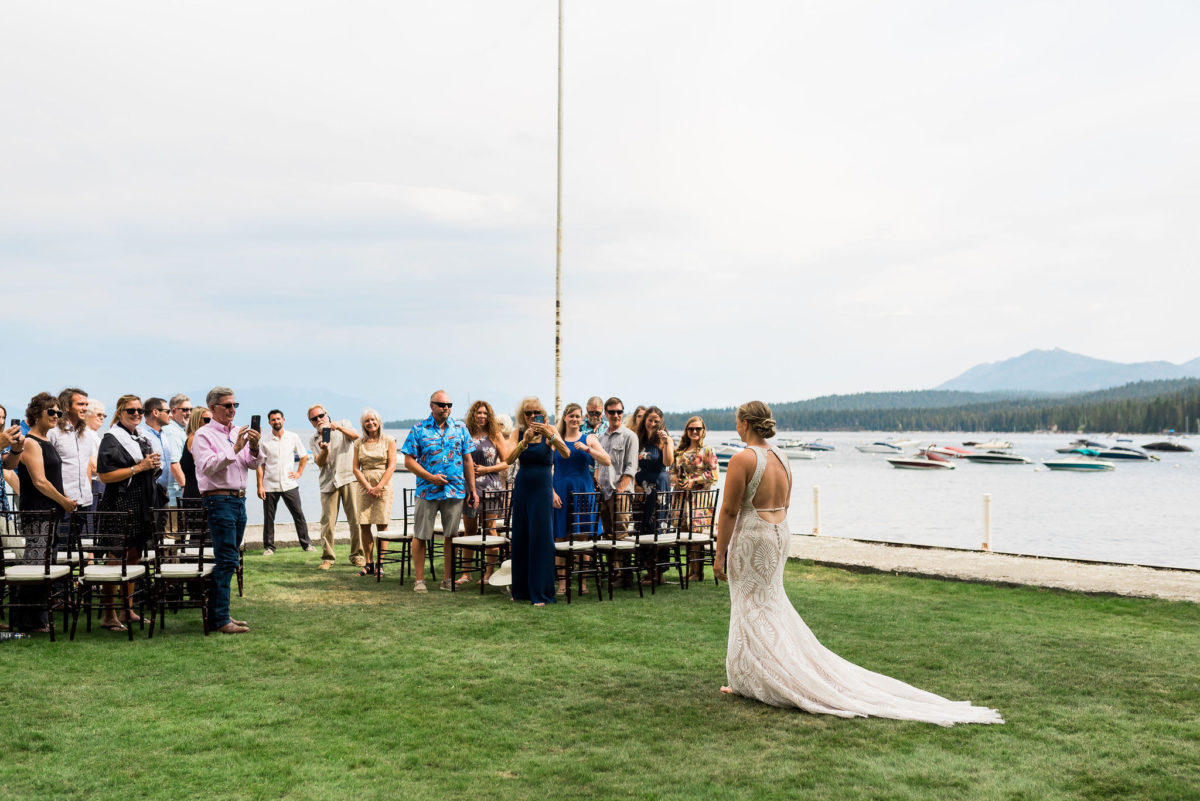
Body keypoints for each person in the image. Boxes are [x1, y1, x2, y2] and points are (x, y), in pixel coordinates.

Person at [715, 401, 1003, 725]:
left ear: (746, 423)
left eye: (737, 422)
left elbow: (729, 511)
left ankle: (765, 677)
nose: (736, 428)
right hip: (780, 533)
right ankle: (750, 675)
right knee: (769, 604)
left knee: (750, 605)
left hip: (753, 536)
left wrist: (719, 552)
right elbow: (786, 502)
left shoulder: (743, 459)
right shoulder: (782, 457)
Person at [192, 386, 264, 635]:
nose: (233, 410)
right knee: (226, 560)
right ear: (213, 409)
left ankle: (222, 613)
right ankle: (219, 618)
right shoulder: (203, 435)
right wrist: (234, 448)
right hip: (219, 500)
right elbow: (208, 467)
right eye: (227, 406)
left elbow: (253, 464)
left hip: (239, 501)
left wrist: (254, 447)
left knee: (230, 558)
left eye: (235, 405)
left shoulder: (237, 432)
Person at [12, 393, 78, 632]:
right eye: (51, 412)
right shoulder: (30, 442)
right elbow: (39, 481)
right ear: (36, 413)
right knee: (36, 566)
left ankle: (36, 618)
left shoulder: (47, 441)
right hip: (39, 513)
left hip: (51, 512)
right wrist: (64, 502)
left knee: (45, 566)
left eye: (59, 412)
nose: (56, 416)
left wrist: (63, 503)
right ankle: (24, 620)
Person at [401, 390, 477, 592]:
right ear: (431, 406)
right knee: (420, 535)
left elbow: (468, 460)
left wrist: (473, 490)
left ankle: (448, 579)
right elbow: (408, 461)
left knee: (451, 536)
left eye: (449, 405)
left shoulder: (460, 428)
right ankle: (419, 580)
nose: (446, 408)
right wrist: (430, 477)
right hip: (427, 491)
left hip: (455, 491)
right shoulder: (419, 429)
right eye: (442, 405)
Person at [96, 394, 160, 630]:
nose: (136, 415)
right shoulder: (112, 438)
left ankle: (127, 610)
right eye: (131, 411)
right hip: (119, 506)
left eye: (140, 411)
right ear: (120, 412)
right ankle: (108, 615)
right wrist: (139, 467)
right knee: (115, 559)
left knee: (134, 557)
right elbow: (105, 476)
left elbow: (143, 470)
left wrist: (151, 468)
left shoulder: (142, 437)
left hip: (141, 504)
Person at [504, 397, 568, 606]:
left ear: (542, 413)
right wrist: (524, 441)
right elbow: (509, 459)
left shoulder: (550, 431)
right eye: (528, 413)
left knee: (541, 538)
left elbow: (566, 453)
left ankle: (541, 591)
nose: (532, 416)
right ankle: (520, 589)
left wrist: (552, 436)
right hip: (523, 487)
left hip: (542, 489)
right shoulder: (518, 433)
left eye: (536, 412)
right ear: (522, 415)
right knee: (521, 536)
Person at [552, 402, 610, 593]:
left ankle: (583, 583)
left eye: (578, 416)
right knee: (561, 537)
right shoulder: (556, 439)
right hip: (560, 490)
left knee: (582, 539)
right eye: (571, 416)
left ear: (582, 418)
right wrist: (551, 492)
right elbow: (547, 468)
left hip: (583, 492)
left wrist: (587, 449)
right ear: (565, 418)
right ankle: (562, 583)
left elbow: (607, 460)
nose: (575, 419)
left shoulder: (589, 438)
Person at [460, 400, 511, 585]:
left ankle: (489, 574)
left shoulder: (495, 435)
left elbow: (507, 461)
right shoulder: (465, 434)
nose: (481, 416)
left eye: (485, 413)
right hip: (469, 488)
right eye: (478, 413)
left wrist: (486, 470)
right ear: (473, 415)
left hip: (491, 487)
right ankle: (466, 573)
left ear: (489, 416)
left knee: (490, 529)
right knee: (470, 530)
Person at [308, 405, 363, 570]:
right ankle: (327, 558)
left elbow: (356, 436)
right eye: (314, 418)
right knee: (327, 523)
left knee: (356, 520)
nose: (318, 420)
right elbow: (319, 462)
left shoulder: (343, 424)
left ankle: (357, 555)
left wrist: (337, 427)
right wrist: (325, 450)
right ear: (311, 422)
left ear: (327, 414)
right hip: (328, 482)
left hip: (348, 478)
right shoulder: (313, 440)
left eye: (321, 416)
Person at [255, 409, 312, 555]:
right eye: (273, 420)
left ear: (283, 420)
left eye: (278, 419)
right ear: (269, 422)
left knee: (298, 514)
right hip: (270, 485)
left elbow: (304, 456)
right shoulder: (264, 441)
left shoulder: (293, 437)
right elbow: (260, 465)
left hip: (289, 484)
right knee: (269, 518)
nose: (276, 422)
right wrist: (260, 486)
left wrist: (299, 472)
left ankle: (306, 545)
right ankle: (269, 547)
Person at [672, 415, 719, 582]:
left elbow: (713, 474)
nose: (694, 431)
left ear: (703, 431)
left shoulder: (707, 451)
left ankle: (697, 572)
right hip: (681, 497)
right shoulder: (680, 451)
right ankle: (691, 570)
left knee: (696, 534)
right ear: (686, 431)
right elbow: (671, 471)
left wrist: (694, 481)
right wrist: (675, 479)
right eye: (691, 429)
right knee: (685, 532)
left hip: (699, 499)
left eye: (697, 429)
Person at [351, 408, 396, 577]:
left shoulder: (388, 440)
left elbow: (391, 466)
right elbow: (355, 468)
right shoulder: (358, 443)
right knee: (364, 524)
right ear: (363, 424)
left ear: (378, 422)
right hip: (364, 485)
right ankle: (368, 563)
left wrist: (379, 487)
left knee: (382, 524)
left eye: (373, 420)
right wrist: (368, 487)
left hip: (383, 485)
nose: (370, 423)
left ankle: (381, 564)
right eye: (367, 421)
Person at [595, 397, 638, 551]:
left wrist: (620, 492)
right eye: (612, 412)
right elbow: (598, 464)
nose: (616, 415)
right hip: (604, 494)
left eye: (619, 411)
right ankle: (612, 573)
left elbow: (631, 468)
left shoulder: (630, 436)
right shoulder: (601, 439)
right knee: (607, 536)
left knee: (621, 536)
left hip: (621, 494)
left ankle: (622, 574)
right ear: (606, 413)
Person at [138, 397, 181, 508]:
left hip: (163, 491)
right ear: (155, 412)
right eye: (167, 411)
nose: (170, 415)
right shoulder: (141, 435)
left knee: (163, 524)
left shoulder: (163, 434)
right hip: (149, 492)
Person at [634, 406, 675, 495]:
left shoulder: (666, 440)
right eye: (650, 420)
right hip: (640, 487)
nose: (652, 424)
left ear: (661, 423)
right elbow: (629, 464)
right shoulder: (637, 438)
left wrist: (665, 442)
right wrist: (635, 484)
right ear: (645, 420)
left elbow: (668, 463)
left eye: (656, 421)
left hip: (658, 485)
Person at [179, 407, 211, 504]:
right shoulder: (195, 439)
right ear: (196, 420)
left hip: (194, 490)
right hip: (197, 492)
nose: (211, 423)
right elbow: (203, 466)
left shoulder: (193, 438)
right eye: (207, 420)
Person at [164, 394, 191, 505]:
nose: (189, 413)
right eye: (185, 410)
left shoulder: (180, 430)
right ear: (174, 411)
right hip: (175, 496)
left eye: (190, 409)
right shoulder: (172, 432)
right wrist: (185, 487)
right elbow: (174, 463)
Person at [83, 399, 106, 509]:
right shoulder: (87, 434)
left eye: (104, 415)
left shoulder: (94, 435)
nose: (102, 418)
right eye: (98, 414)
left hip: (99, 482)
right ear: (87, 415)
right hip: (94, 483)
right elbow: (93, 465)